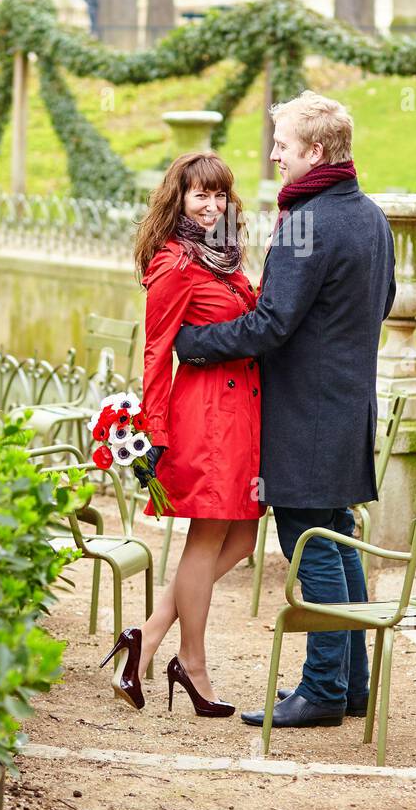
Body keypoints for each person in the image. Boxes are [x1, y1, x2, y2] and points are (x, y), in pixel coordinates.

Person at [174, 90, 396, 729]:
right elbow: (383, 301)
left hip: (305, 415)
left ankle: (324, 688)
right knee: (338, 538)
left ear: (315, 152)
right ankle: (352, 684)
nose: (274, 155)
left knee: (310, 543)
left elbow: (270, 324)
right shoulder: (371, 217)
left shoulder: (308, 222)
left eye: (283, 145)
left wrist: (198, 345)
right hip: (349, 406)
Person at [100, 152, 264, 717]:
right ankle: (193, 668)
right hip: (209, 419)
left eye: (220, 196)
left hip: (241, 414)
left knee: (241, 539)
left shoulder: (223, 258)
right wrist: (155, 429)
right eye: (201, 195)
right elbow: (155, 351)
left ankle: (145, 636)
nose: (213, 206)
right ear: (179, 198)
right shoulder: (175, 263)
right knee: (207, 540)